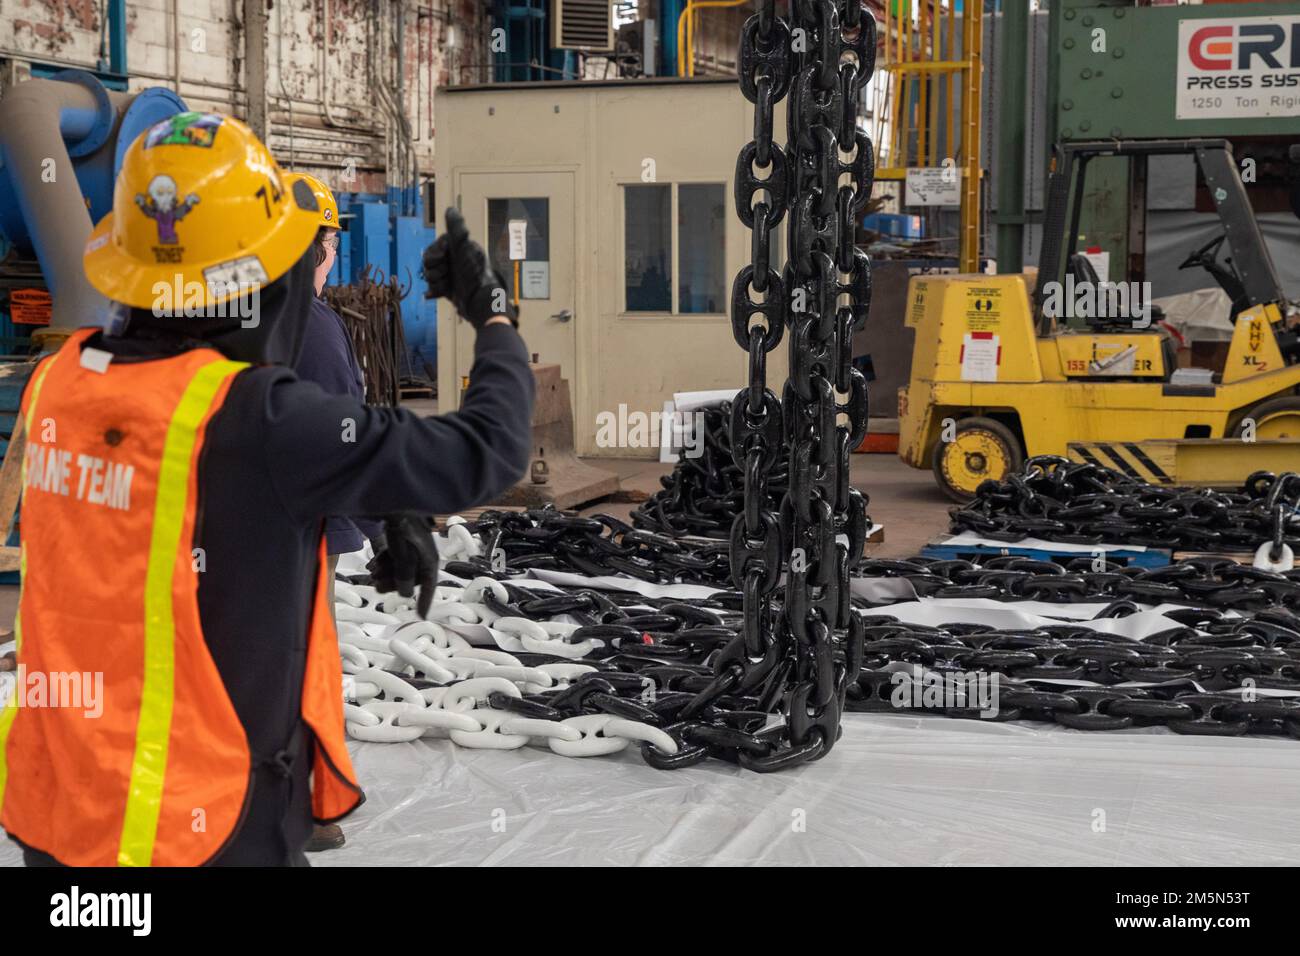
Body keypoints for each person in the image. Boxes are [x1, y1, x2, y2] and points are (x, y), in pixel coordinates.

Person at [0, 111, 533, 866]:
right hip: (199, 821)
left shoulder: (56, 386)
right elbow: (490, 447)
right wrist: (495, 317)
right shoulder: (254, 419)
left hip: (69, 812)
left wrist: (386, 507)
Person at [285, 172, 379, 854]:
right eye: (329, 241)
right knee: (303, 663)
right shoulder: (312, 327)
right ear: (318, 246)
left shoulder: (238, 313)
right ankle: (305, 808)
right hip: (305, 526)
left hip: (253, 521)